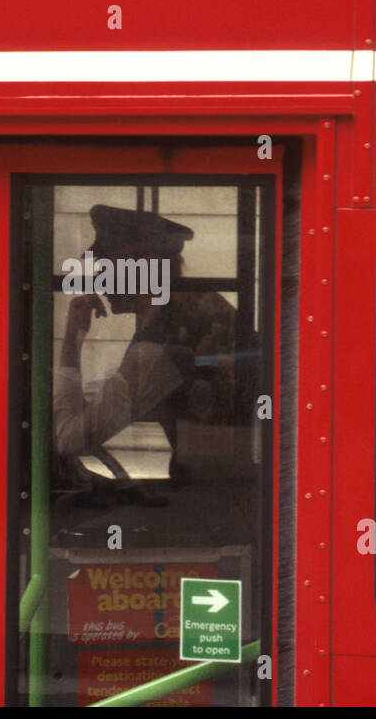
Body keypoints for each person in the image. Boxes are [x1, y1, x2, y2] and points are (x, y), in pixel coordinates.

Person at [53, 204, 255, 507]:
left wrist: (72, 338)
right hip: (225, 489)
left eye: (108, 266)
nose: (101, 280)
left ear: (145, 264)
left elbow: (71, 439)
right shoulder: (194, 309)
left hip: (209, 501)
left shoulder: (158, 346)